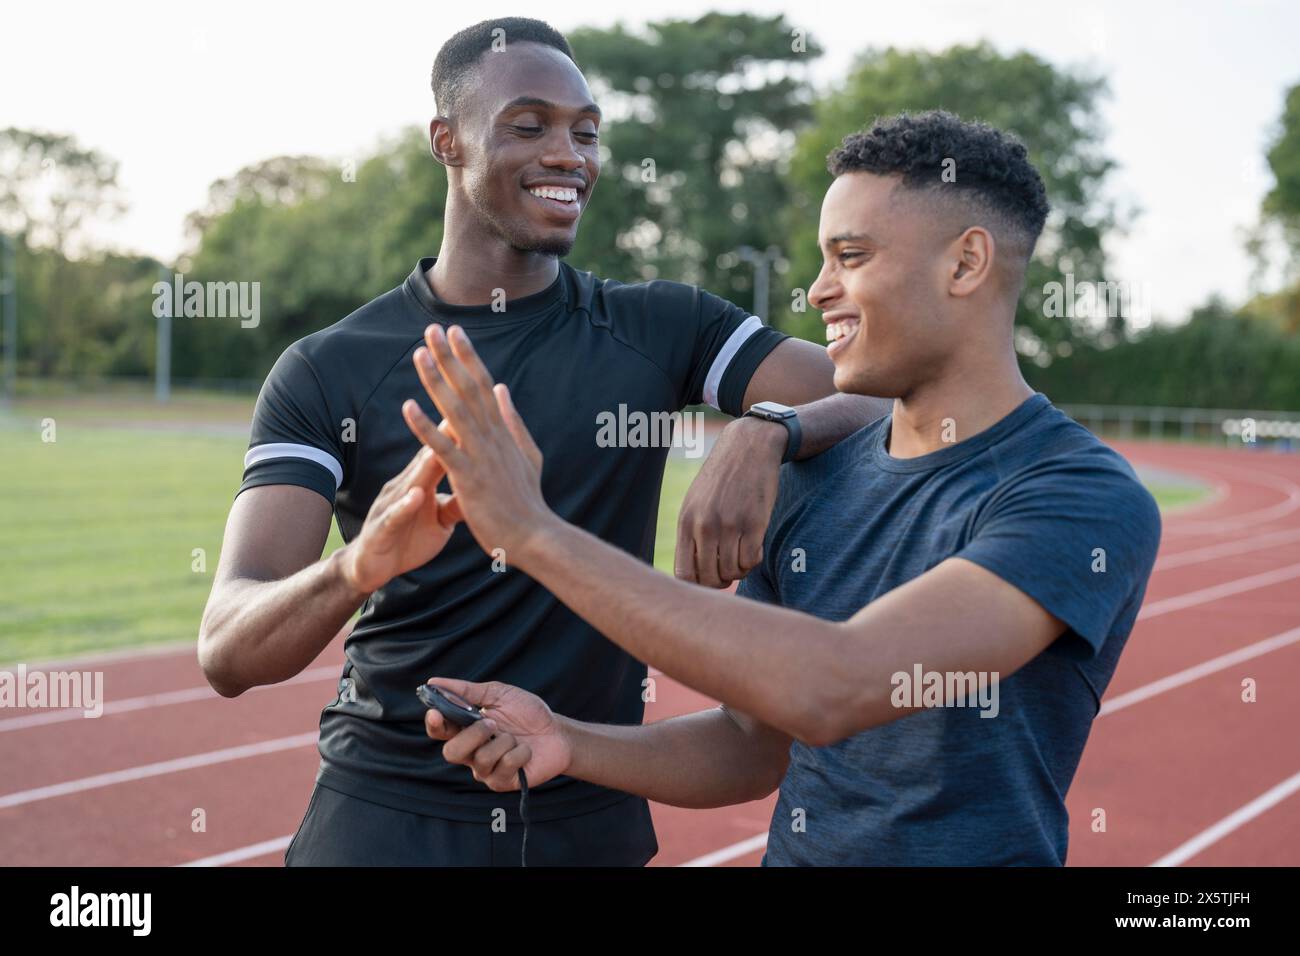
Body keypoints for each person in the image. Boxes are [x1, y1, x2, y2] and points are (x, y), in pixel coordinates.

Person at [196, 17, 883, 866]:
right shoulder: (329, 369)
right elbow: (227, 649)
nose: (569, 154)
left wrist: (769, 428)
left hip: (587, 816)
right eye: (529, 126)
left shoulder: (660, 327)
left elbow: (883, 394)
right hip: (382, 822)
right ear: (447, 140)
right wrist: (356, 566)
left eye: (585, 131)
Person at [404, 110, 1164, 866]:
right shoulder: (810, 478)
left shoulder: (1080, 495)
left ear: (966, 265)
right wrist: (565, 741)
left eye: (852, 256)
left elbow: (836, 684)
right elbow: (749, 746)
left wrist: (534, 533)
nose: (817, 290)